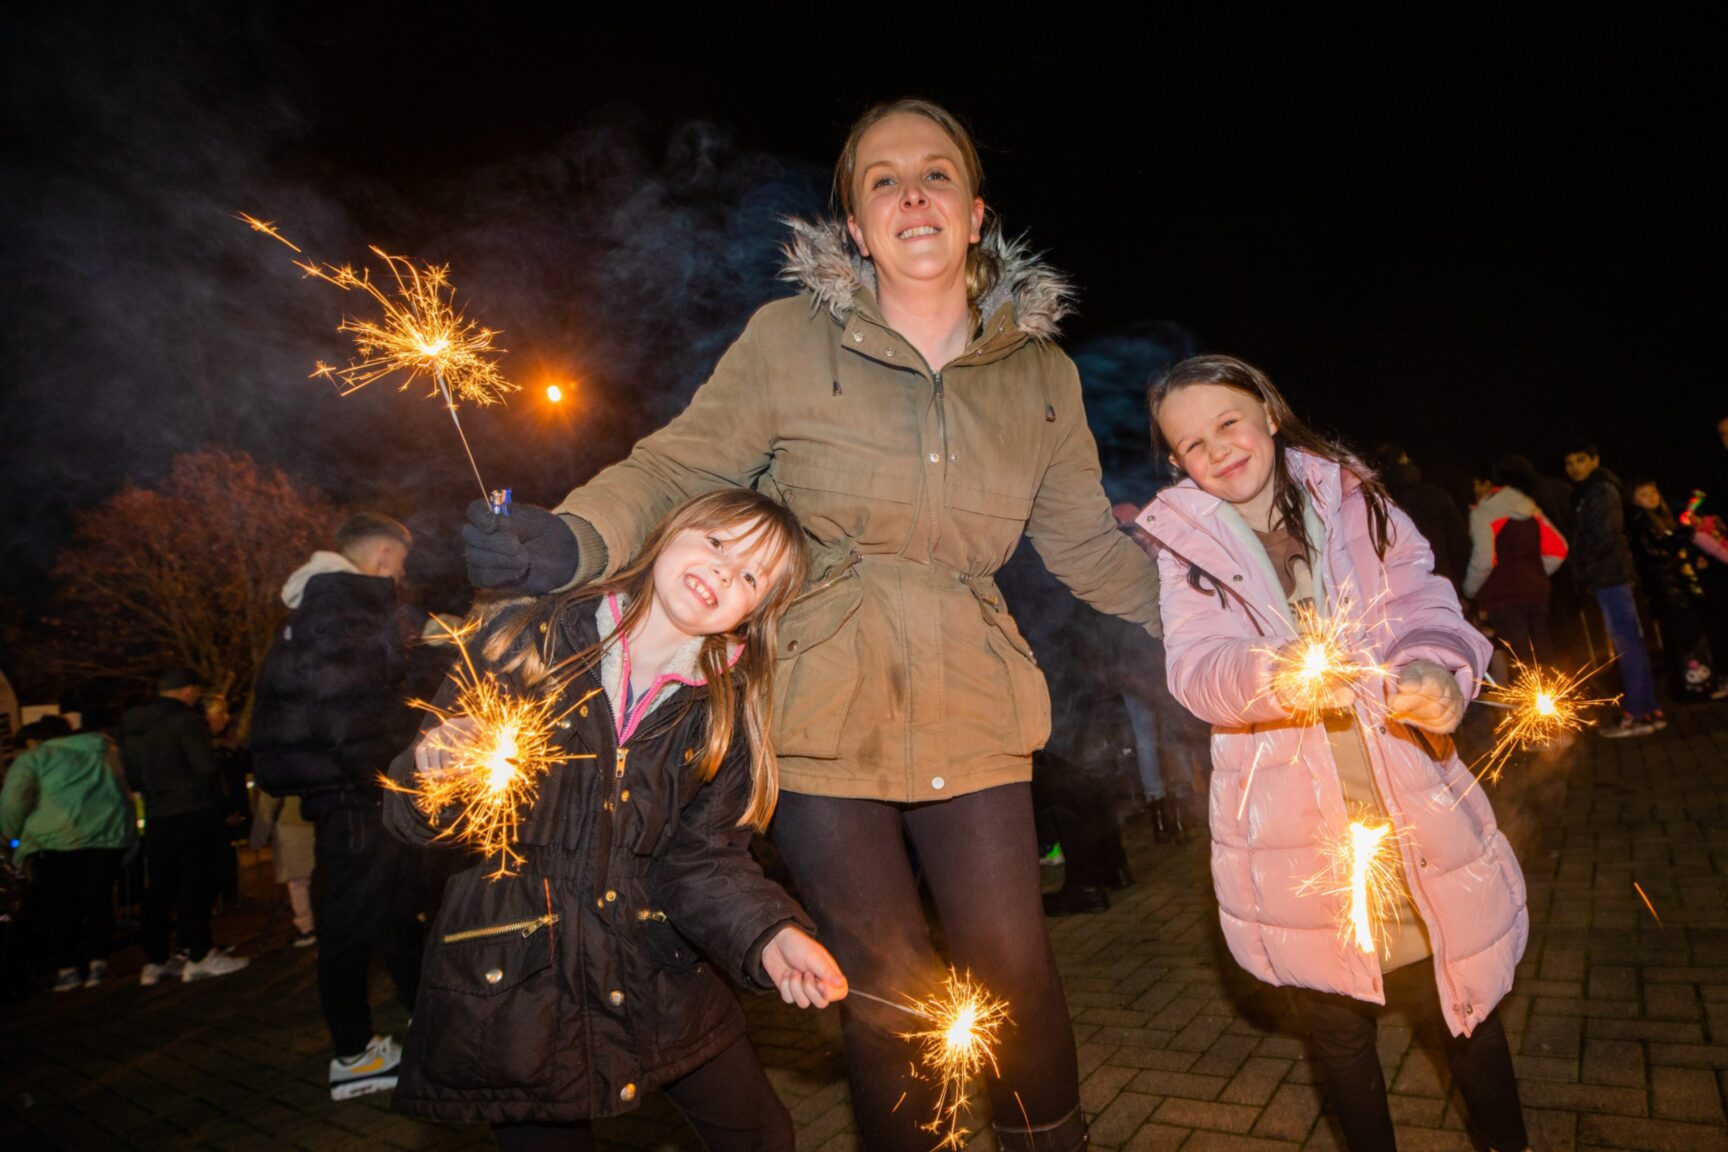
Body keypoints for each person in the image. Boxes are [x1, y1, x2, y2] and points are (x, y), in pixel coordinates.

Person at [460, 99, 1159, 1151]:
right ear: (856, 226)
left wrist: (1227, 614)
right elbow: (679, 466)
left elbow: (1088, 550)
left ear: (976, 215)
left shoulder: (1043, 378)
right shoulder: (791, 340)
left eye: (935, 174)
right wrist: (571, 539)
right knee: (890, 983)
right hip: (821, 706)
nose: (911, 192)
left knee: (1015, 969)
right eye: (883, 180)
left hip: (974, 698)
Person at [1141, 355, 1529, 1152]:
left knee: (1460, 1002)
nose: (1216, 449)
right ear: (1177, 463)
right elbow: (1195, 669)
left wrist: (1440, 668)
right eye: (1190, 444)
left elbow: (1426, 601)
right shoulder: (1185, 548)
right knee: (1338, 1026)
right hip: (1295, 825)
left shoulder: (1358, 502)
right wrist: (1270, 676)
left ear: (1269, 413)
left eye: (1227, 422)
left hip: (1406, 794)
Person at [389, 489, 845, 1150]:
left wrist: (770, 935)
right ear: (666, 535)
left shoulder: (721, 715)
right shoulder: (529, 639)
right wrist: (438, 773)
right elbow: (417, 817)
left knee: (761, 1134)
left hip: (656, 970)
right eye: (718, 543)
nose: (724, 571)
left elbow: (703, 858)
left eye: (750, 575)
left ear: (756, 612)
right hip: (518, 982)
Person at [249, 512, 427, 1100]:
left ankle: (427, 1011)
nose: (400, 575)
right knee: (350, 922)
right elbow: (349, 711)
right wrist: (393, 774)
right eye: (399, 562)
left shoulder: (323, 605)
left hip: (349, 786)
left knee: (394, 905)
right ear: (381, 556)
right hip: (354, 791)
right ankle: (353, 1055)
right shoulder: (342, 604)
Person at [123, 666, 250, 985]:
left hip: (157, 813)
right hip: (194, 810)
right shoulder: (186, 721)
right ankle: (199, 954)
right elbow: (205, 767)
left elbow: (134, 776)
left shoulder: (134, 726)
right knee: (198, 883)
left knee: (161, 887)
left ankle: (155, 960)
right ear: (187, 690)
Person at [1, 716, 135, 991]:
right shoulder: (103, 750)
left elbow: (14, 800)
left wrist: (9, 832)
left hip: (55, 840)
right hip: (105, 836)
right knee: (98, 900)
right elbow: (122, 791)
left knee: (61, 904)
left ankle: (68, 969)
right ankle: (100, 964)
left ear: (33, 741)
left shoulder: (35, 758)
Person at [1563, 442, 1663, 735]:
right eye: (1569, 463)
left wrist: (1583, 571)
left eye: (1580, 460)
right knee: (1631, 643)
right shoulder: (1591, 491)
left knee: (1626, 645)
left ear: (1595, 460)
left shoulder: (1600, 491)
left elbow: (1601, 537)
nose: (1574, 468)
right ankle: (1649, 711)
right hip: (1608, 575)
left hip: (1609, 577)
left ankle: (1637, 714)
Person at [1626, 479, 1728, 702]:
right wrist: (1680, 540)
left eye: (1653, 491)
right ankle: (1690, 687)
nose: (1651, 497)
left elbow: (1678, 551)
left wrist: (1694, 555)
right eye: (1644, 494)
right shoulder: (1641, 523)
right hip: (1668, 593)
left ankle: (1698, 683)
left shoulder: (1664, 518)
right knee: (1683, 639)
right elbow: (1655, 554)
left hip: (1680, 589)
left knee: (1691, 637)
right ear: (1635, 500)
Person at [1462, 466, 1568, 663]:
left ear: (1487, 484)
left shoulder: (1482, 514)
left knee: (1520, 662)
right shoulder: (1531, 509)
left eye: (1476, 483)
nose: (1474, 489)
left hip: (1503, 598)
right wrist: (1534, 573)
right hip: (1536, 593)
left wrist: (1469, 590)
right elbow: (1559, 549)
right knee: (1544, 659)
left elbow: (1484, 560)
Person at [1374, 444, 1470, 592]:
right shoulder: (1435, 495)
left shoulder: (1377, 504)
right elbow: (1461, 544)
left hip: (1395, 590)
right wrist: (1456, 582)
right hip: (1439, 584)